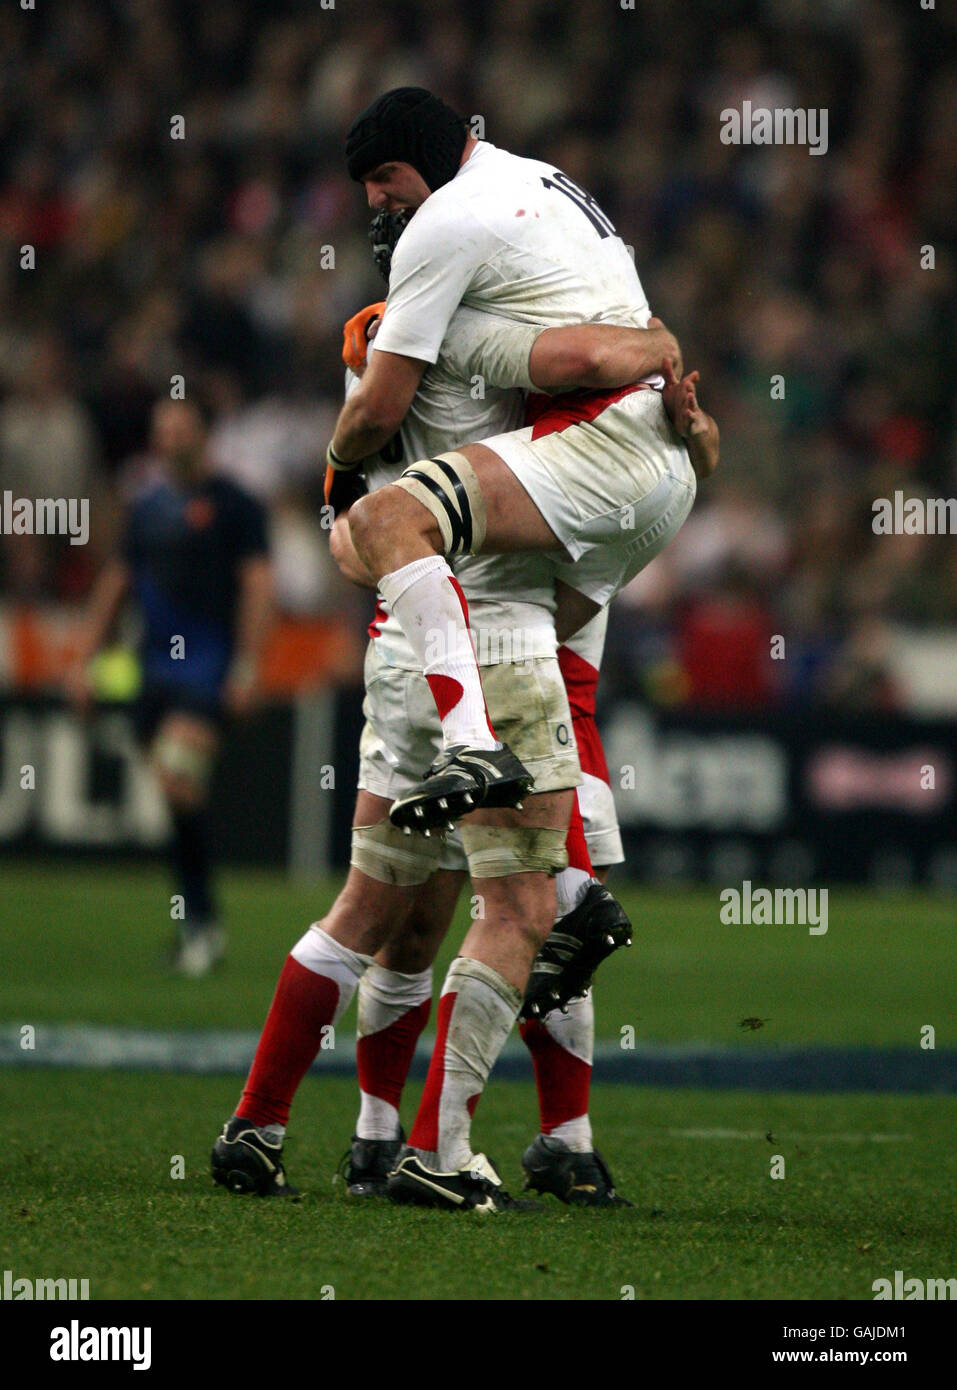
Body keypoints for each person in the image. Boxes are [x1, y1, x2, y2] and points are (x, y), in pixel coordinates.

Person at [211, 215, 716, 1210]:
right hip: (505, 642)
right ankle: (445, 1149)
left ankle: (271, 1124)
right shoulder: (501, 353)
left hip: (403, 653)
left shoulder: (389, 355)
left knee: (381, 909)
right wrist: (664, 366)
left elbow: (361, 520)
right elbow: (591, 375)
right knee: (529, 907)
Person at [326, 89, 709, 841]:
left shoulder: (438, 251)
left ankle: (473, 750)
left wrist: (335, 471)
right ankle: (584, 875)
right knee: (558, 669)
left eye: (384, 177)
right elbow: (610, 344)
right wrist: (662, 351)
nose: (375, 198)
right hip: (663, 463)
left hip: (594, 454)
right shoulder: (538, 181)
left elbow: (376, 413)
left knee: (396, 526)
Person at [65, 398, 274, 976]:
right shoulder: (148, 506)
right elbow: (118, 581)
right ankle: (195, 927)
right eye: (161, 429)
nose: (167, 438)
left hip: (207, 670)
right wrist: (84, 661)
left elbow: (258, 586)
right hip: (151, 672)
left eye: (180, 428)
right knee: (174, 793)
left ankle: (202, 928)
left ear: (204, 434)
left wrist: (248, 667)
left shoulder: (237, 506)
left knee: (180, 783)